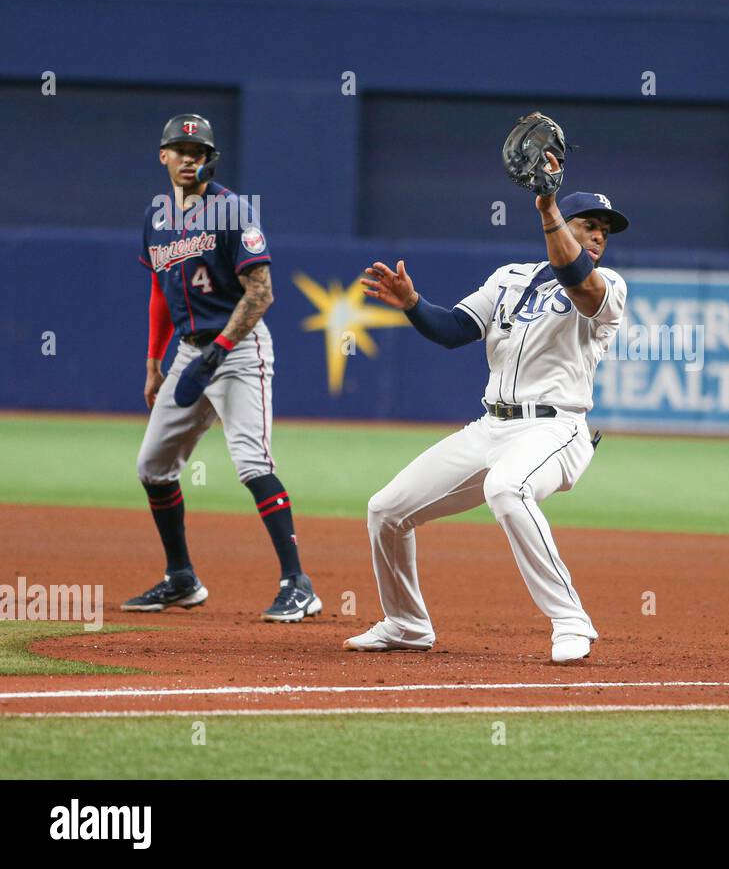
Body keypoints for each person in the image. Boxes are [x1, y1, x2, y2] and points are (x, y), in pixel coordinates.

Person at [346, 175, 628, 664]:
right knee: (386, 509)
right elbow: (455, 330)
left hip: (555, 428)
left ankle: (570, 620)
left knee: (506, 488)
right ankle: (407, 624)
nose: (601, 235)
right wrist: (413, 304)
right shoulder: (509, 278)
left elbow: (579, 282)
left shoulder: (610, 287)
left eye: (607, 229)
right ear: (567, 224)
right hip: (490, 426)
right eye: (591, 224)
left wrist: (547, 211)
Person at [127, 115, 322, 622]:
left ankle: (298, 583)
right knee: (152, 467)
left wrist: (218, 349)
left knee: (252, 464)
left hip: (239, 351)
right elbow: (159, 292)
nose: (189, 156)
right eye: (179, 147)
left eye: (198, 149)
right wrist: (154, 362)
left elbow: (262, 292)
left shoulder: (234, 211)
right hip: (190, 354)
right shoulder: (158, 217)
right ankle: (181, 578)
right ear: (163, 155)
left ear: (210, 157)